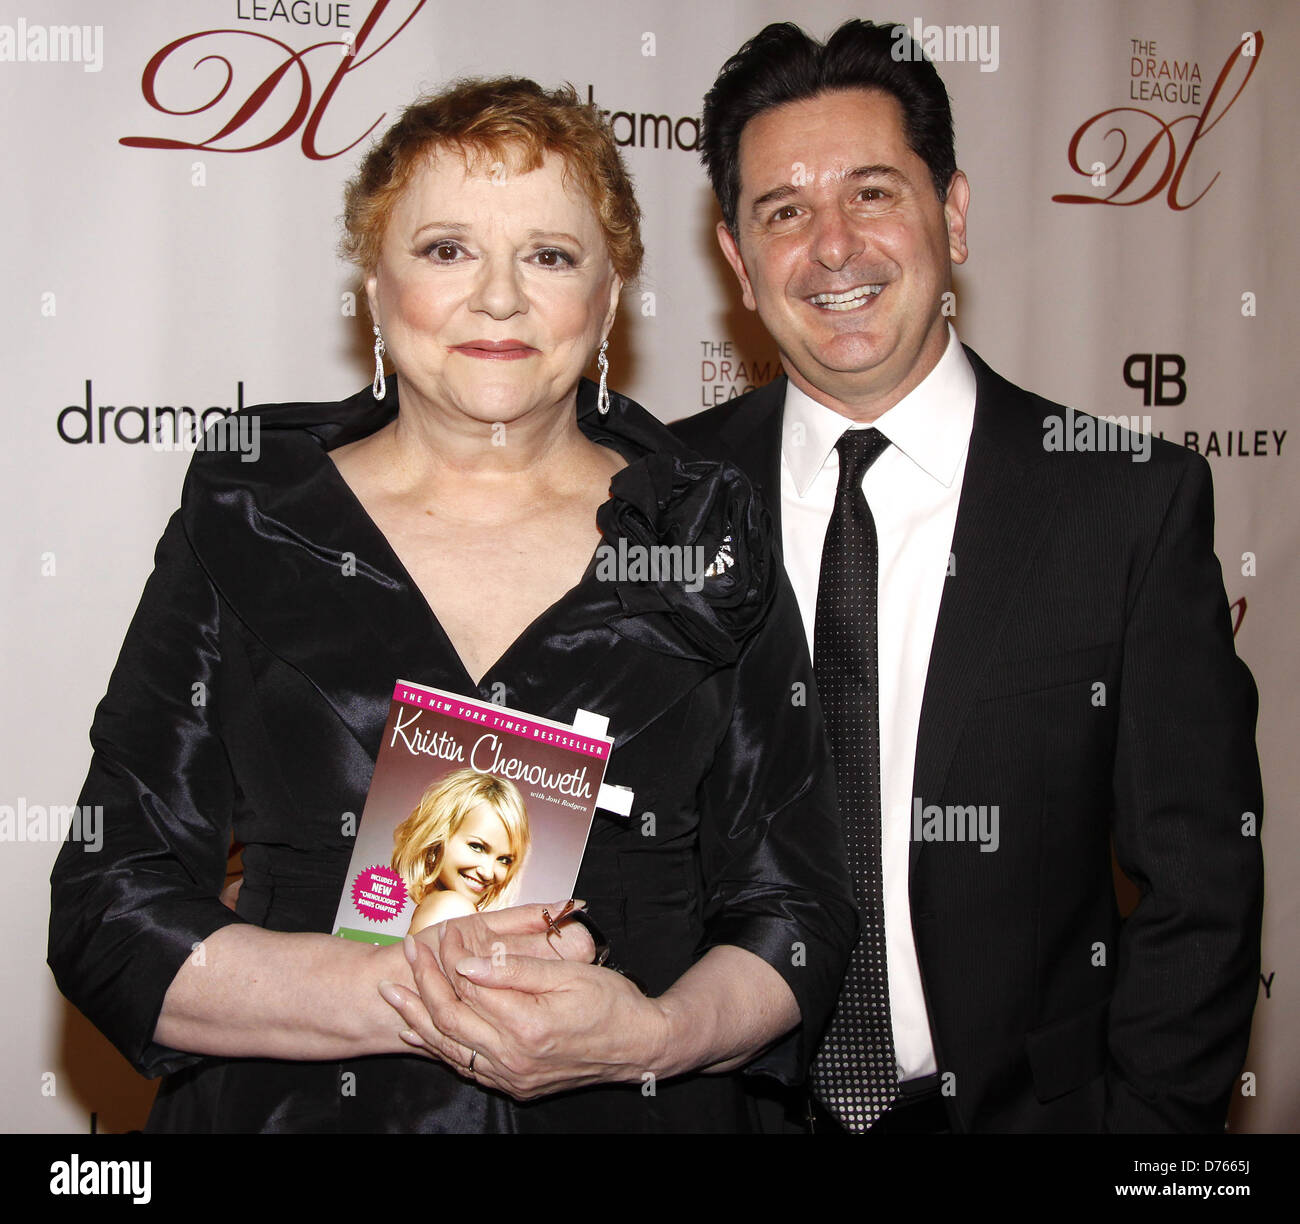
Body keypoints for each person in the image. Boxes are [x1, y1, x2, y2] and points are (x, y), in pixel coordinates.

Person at [47, 76, 857, 1133]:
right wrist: (423, 991)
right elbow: (113, 905)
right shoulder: (250, 519)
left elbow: (796, 912)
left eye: (550, 257)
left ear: (607, 301)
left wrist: (651, 1037)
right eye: (445, 250)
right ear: (374, 290)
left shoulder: (707, 539)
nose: (499, 299)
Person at [673, 20, 1264, 1133]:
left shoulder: (1124, 503)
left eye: (873, 194)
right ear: (739, 262)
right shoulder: (655, 494)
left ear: (951, 214)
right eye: (784, 212)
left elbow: (1201, 888)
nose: (833, 248)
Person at [391, 769, 530, 931]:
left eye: (504, 860)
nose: (488, 873)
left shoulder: (434, 907)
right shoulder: (454, 909)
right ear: (438, 837)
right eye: (477, 847)